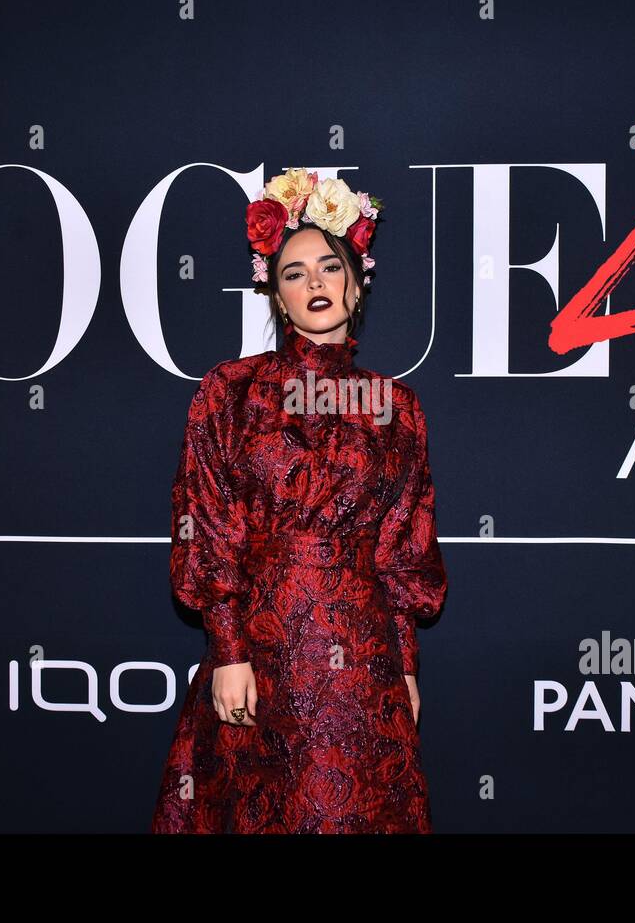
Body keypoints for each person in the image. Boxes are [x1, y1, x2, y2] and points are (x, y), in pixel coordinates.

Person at [151, 169, 448, 833]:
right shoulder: (229, 391)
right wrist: (227, 651)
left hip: (360, 660)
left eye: (328, 267)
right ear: (276, 296)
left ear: (355, 281)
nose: (314, 283)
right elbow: (207, 518)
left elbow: (404, 550)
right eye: (294, 273)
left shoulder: (397, 408)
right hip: (260, 645)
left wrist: (404, 668)